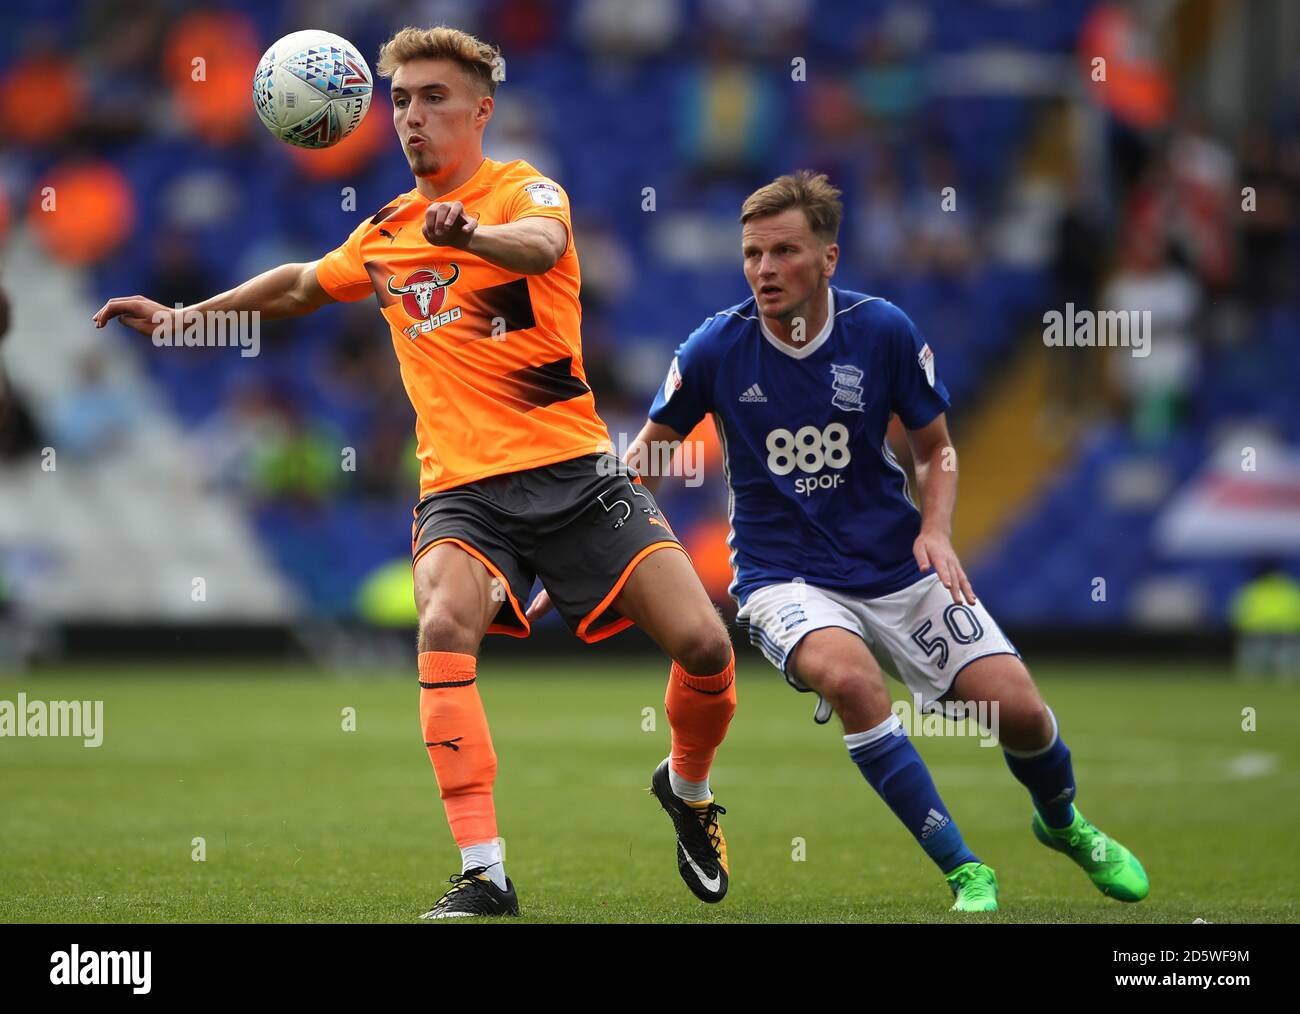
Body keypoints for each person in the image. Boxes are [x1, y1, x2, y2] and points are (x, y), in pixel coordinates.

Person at [93, 25, 736, 918]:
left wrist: (472, 233)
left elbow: (542, 248)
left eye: (433, 97)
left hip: (578, 473)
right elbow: (298, 285)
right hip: (463, 492)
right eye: (399, 100)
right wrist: (184, 318)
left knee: (706, 648)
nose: (412, 116)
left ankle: (689, 789)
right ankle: (484, 872)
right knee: (441, 622)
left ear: (481, 109)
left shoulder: (522, 190)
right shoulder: (389, 231)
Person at [553, 170, 1149, 912]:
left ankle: (1064, 825)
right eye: (753, 254)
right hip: (783, 576)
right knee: (853, 681)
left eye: (784, 252)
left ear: (828, 259)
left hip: (898, 566)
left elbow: (937, 450)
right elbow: (646, 457)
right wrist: (597, 539)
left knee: (1019, 712)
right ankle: (965, 869)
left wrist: (936, 530)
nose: (765, 270)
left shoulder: (884, 332)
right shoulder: (715, 349)